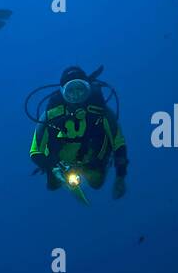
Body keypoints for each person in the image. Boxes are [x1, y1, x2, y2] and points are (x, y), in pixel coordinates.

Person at [30, 66, 128, 199]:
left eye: (80, 90)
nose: (76, 96)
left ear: (88, 89)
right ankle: (61, 171)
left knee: (96, 183)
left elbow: (118, 143)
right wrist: (52, 166)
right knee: (53, 185)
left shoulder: (101, 112)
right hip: (61, 163)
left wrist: (120, 177)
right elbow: (34, 151)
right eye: (71, 91)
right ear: (63, 92)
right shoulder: (51, 115)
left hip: (92, 158)